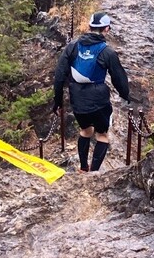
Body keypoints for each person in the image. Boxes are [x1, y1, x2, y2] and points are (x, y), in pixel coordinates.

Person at [53, 11, 130, 171]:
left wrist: (57, 101)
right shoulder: (107, 51)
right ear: (106, 29)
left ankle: (83, 168)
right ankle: (94, 172)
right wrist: (125, 95)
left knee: (85, 130)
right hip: (99, 100)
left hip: (78, 99)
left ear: (89, 26)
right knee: (102, 135)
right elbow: (118, 77)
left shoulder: (73, 46)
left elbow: (60, 75)